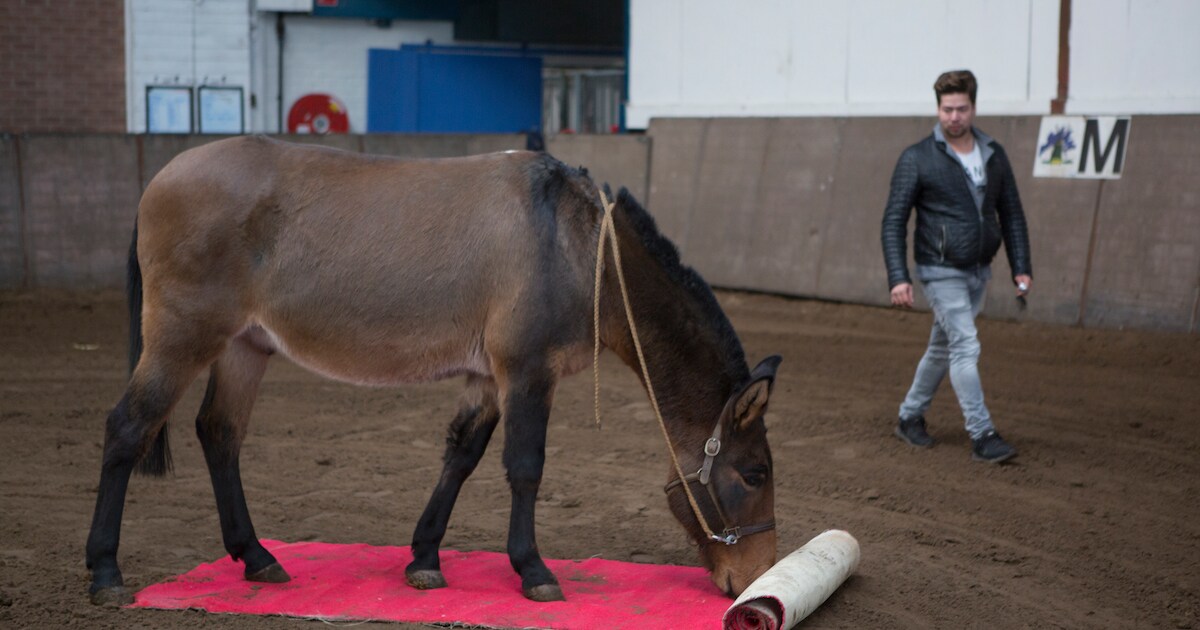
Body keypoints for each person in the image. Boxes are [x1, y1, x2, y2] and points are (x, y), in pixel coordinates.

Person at [880, 69, 1032, 464]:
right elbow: (894, 220)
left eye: (961, 109)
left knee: (943, 346)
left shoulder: (993, 154)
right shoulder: (917, 158)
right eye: (947, 109)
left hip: (979, 269)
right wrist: (899, 277)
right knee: (965, 345)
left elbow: (1011, 213)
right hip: (939, 268)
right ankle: (982, 434)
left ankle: (909, 417)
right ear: (938, 109)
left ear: (973, 107)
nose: (954, 117)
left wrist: (1021, 266)